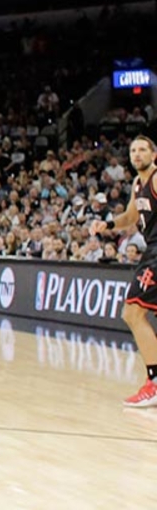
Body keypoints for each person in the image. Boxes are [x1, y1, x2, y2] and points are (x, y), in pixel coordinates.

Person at [110, 135, 157, 408]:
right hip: (151, 248)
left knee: (133, 312)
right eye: (133, 150)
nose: (137, 154)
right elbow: (129, 217)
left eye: (142, 150)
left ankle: (154, 383)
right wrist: (107, 226)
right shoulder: (137, 184)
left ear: (154, 154)